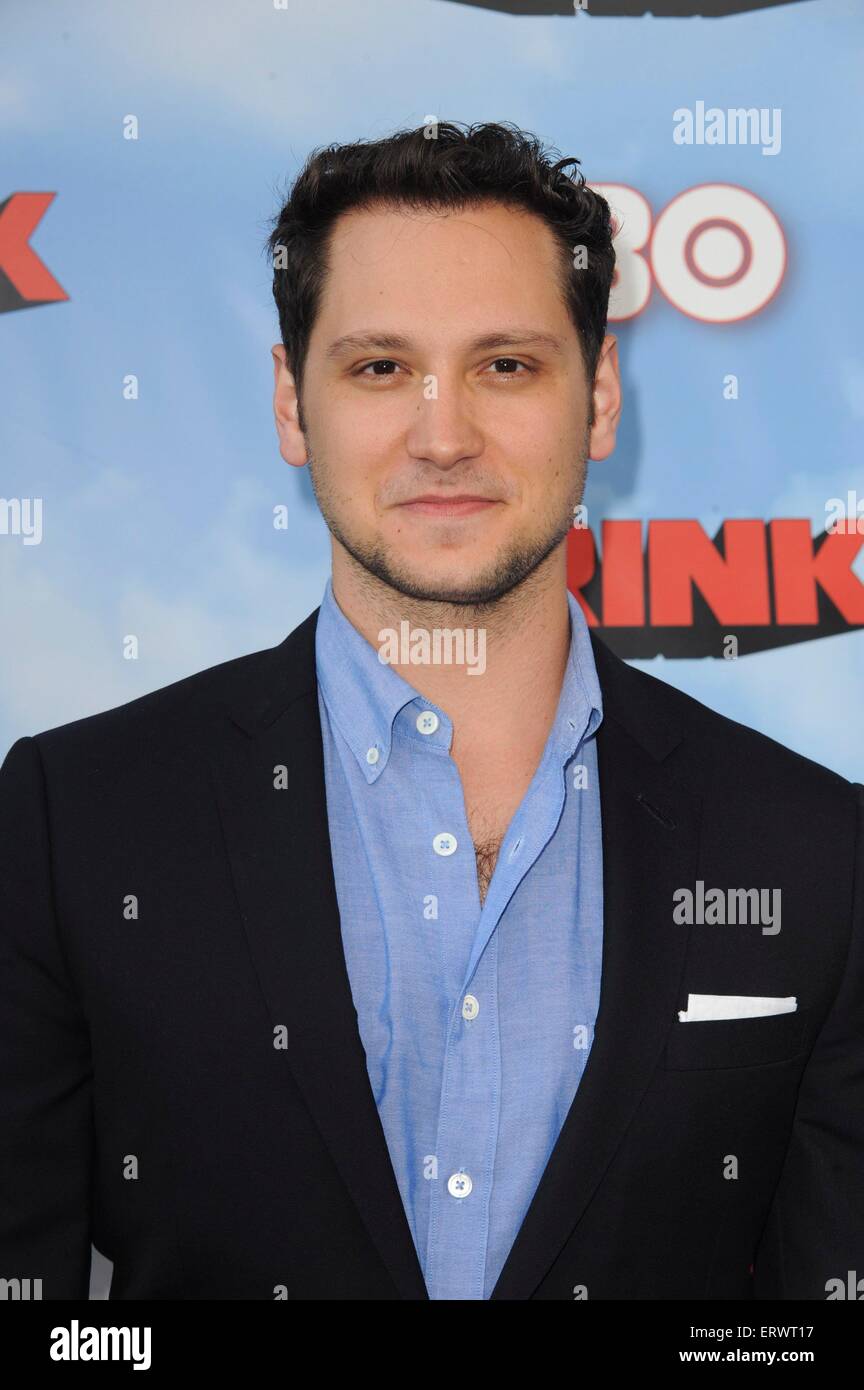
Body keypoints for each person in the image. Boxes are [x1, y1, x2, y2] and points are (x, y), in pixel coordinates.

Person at [1, 121, 861, 1301]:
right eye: (379, 367)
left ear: (599, 398)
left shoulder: (813, 848)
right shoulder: (75, 822)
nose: (443, 433)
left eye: (506, 365)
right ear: (292, 407)